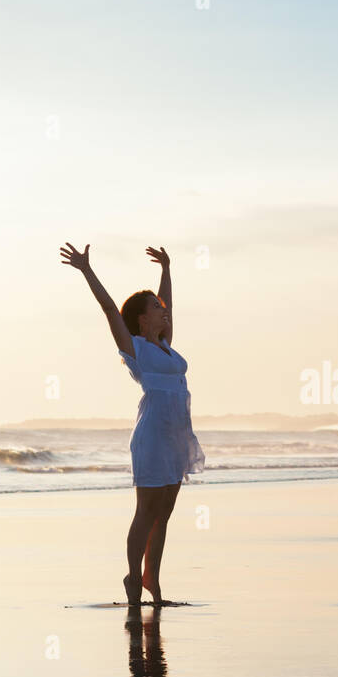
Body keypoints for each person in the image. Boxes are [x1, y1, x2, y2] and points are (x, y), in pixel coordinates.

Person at [59, 243, 205, 605]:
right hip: (153, 435)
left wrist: (167, 269)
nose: (164, 310)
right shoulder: (135, 348)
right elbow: (110, 309)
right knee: (146, 510)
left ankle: (151, 578)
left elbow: (168, 302)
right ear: (141, 319)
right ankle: (131, 577)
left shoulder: (167, 346)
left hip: (176, 435)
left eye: (163, 307)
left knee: (165, 512)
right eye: (156, 308)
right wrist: (86, 270)